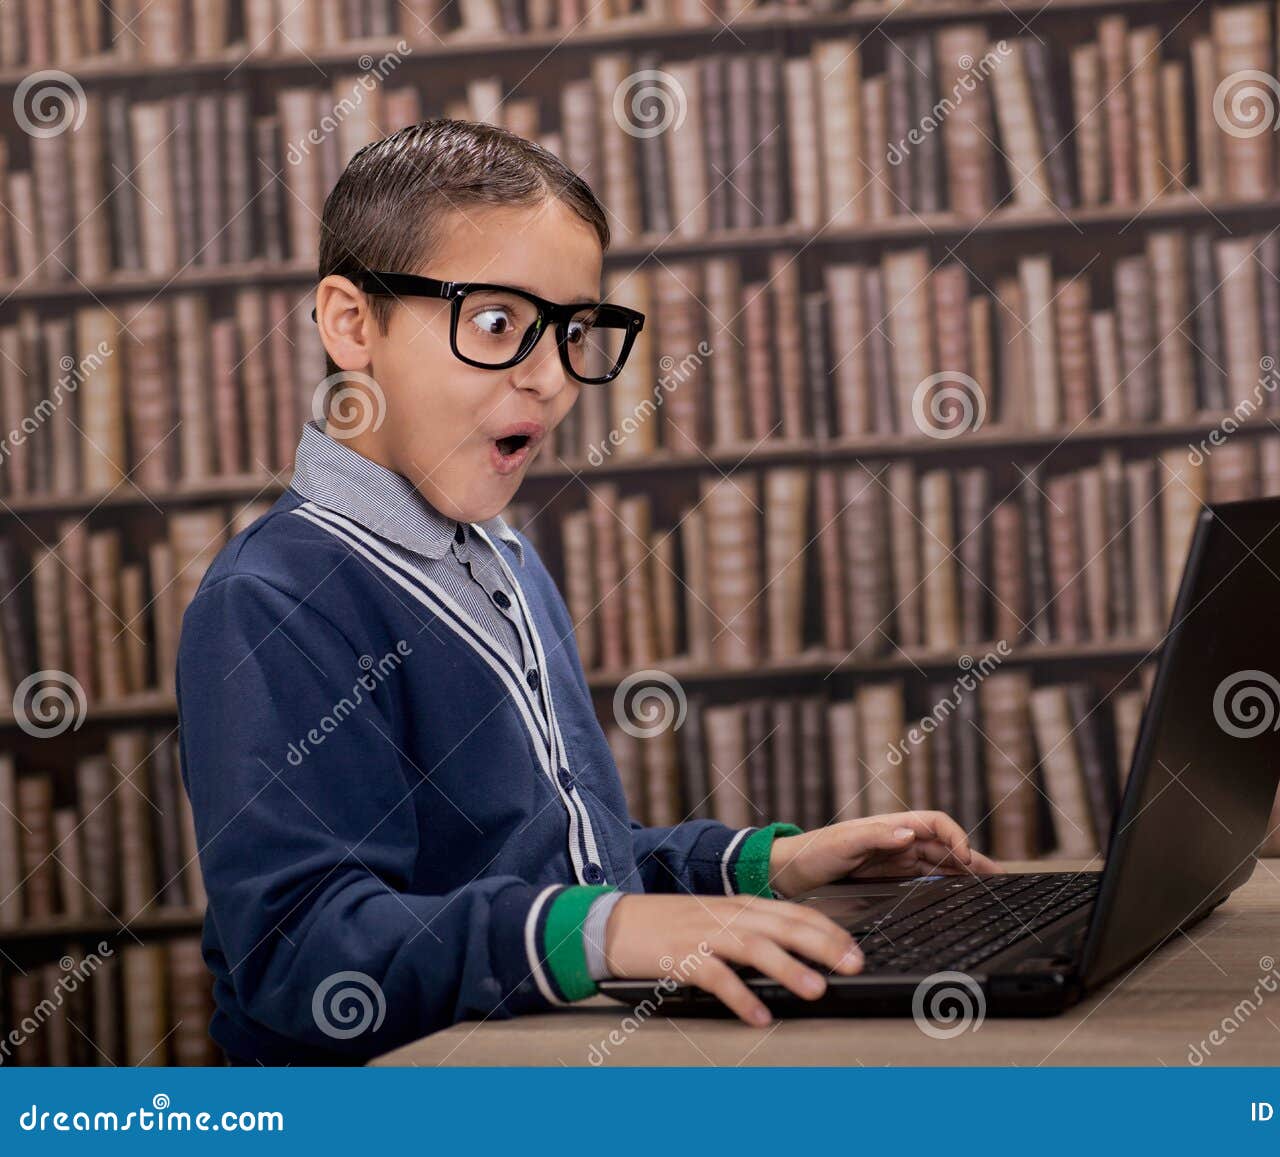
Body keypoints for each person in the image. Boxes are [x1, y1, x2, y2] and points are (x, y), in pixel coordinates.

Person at [176, 118, 999, 1064]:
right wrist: (607, 936)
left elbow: (562, 866)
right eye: (496, 323)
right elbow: (302, 954)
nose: (551, 376)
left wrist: (769, 865)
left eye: (573, 331)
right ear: (352, 322)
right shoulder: (270, 598)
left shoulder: (504, 557)